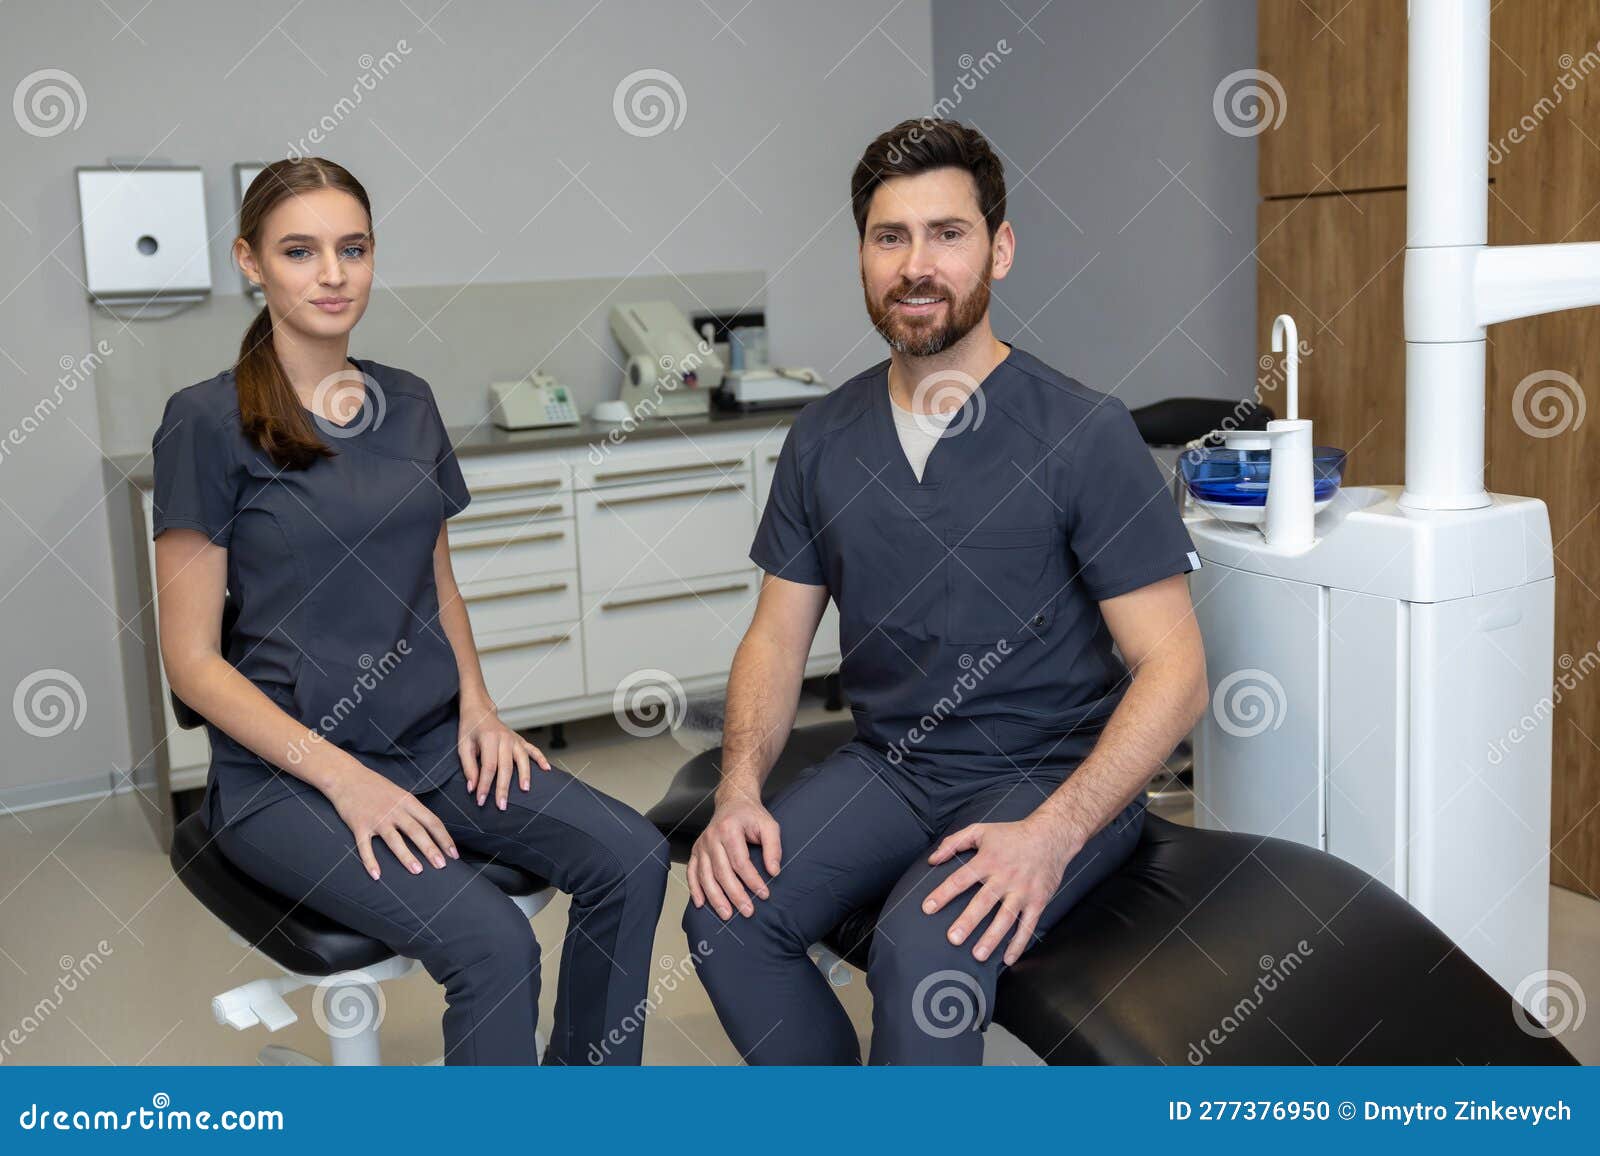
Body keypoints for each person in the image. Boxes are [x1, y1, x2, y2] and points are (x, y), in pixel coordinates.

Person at [681, 119, 1209, 1064]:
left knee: (922, 956)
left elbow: (1174, 671)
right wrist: (736, 792)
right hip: (893, 766)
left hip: (1049, 774)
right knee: (727, 914)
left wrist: (1051, 835)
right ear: (862, 255)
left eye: (947, 234)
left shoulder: (1082, 431)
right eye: (891, 237)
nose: (916, 265)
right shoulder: (824, 438)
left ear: (999, 250)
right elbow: (774, 639)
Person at [151, 158, 668, 1066]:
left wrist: (480, 707)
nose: (332, 273)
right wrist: (344, 780)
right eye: (300, 251)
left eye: (352, 249)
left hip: (433, 743)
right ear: (250, 262)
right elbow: (191, 664)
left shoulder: (410, 403)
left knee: (631, 856)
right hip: (291, 782)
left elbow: (439, 585)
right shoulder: (204, 423)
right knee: (493, 945)